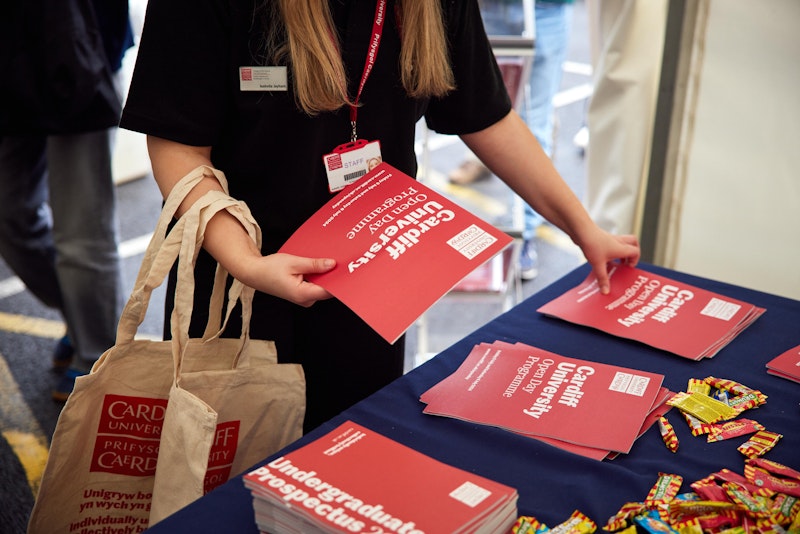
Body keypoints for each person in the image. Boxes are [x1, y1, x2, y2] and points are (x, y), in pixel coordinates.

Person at [120, 0, 639, 433]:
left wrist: (583, 229)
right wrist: (247, 261)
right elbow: (178, 146)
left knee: (347, 460)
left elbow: (487, 117)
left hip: (369, 291)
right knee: (228, 482)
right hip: (235, 292)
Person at [0, 0, 132, 401]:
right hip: (10, 65)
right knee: (9, 215)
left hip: (79, 54)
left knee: (82, 233)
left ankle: (99, 356)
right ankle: (83, 319)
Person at [450, 0, 575, 281]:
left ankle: (524, 233)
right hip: (490, 8)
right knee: (493, 111)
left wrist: (585, 231)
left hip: (540, 9)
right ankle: (524, 225)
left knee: (531, 121)